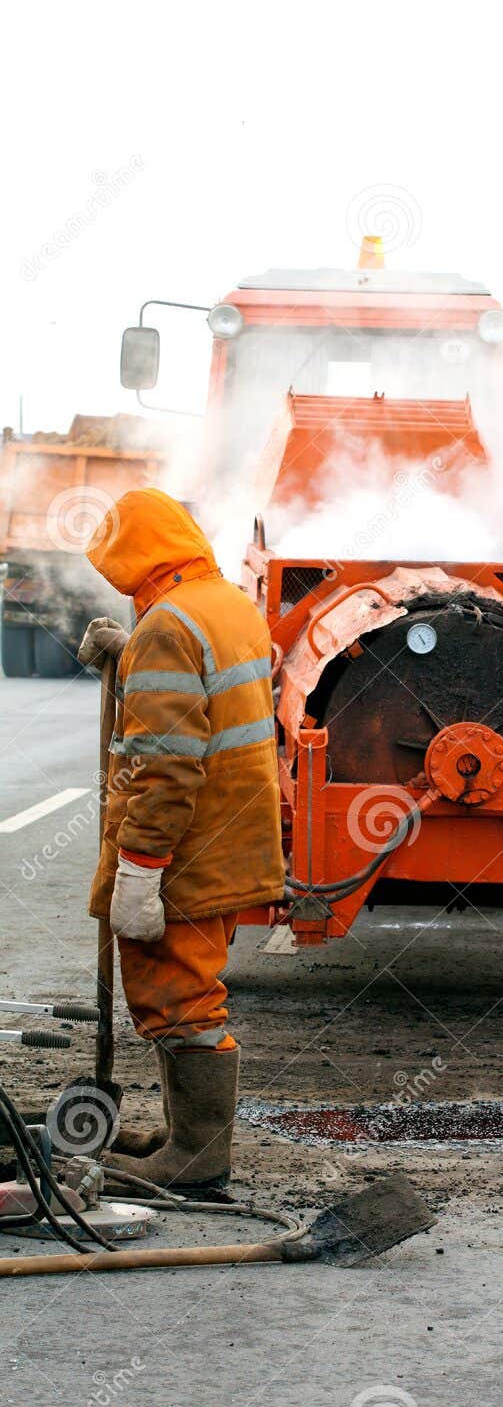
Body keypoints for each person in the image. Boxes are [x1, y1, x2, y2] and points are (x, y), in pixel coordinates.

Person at [78, 488, 285, 1187]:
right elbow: (208, 694)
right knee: (189, 984)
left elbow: (165, 767)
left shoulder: (168, 625)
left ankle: (198, 1155)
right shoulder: (226, 604)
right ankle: (184, 1132)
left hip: (186, 854)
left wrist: (139, 870)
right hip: (234, 841)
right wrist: (132, 652)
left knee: (177, 993)